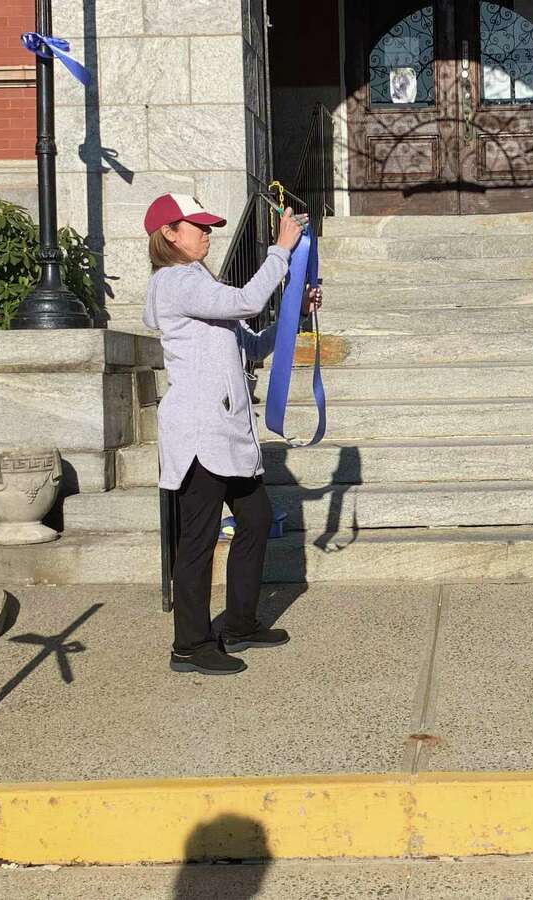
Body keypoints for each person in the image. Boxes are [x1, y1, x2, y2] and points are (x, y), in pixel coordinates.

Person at [141, 193, 321, 676]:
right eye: (196, 225)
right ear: (169, 235)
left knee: (257, 519)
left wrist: (295, 315)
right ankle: (189, 645)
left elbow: (254, 344)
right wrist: (280, 251)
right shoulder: (175, 281)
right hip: (200, 433)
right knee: (198, 542)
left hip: (228, 434)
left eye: (207, 225)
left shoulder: (200, 284)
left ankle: (240, 622)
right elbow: (247, 300)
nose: (207, 232)